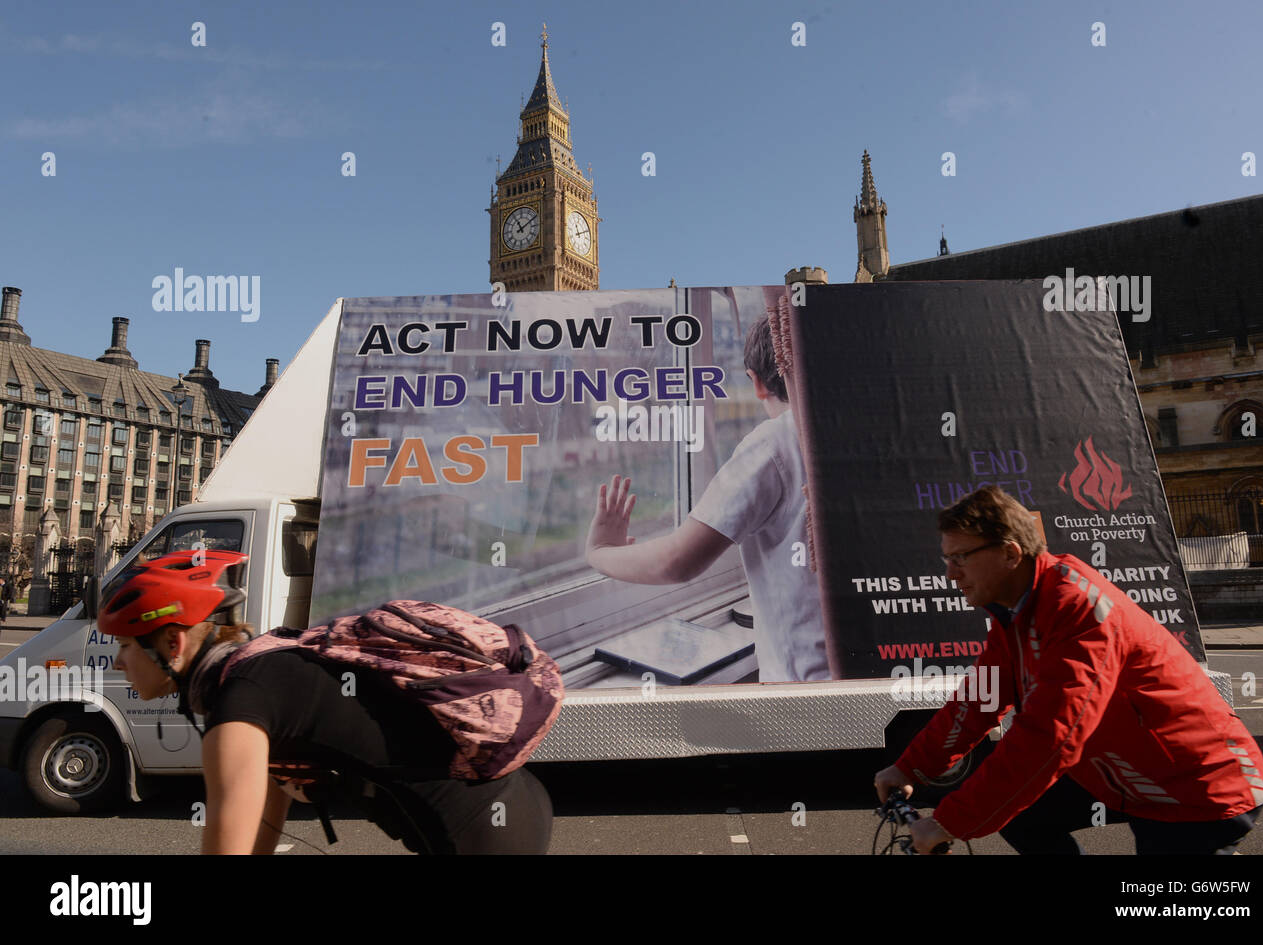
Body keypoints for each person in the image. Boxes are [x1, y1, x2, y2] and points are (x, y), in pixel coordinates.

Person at [874, 485, 1263, 855]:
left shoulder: (1077, 607)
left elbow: (1050, 738)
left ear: (1011, 553)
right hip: (1128, 774)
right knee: (1022, 814)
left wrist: (949, 821)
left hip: (1195, 787)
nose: (950, 573)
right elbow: (980, 700)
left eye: (961, 557)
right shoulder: (1015, 611)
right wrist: (910, 766)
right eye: (947, 558)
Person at [103, 550, 553, 855]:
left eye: (125, 646)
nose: (119, 662)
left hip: (477, 834)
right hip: (513, 807)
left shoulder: (238, 705)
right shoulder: (259, 666)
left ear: (172, 642)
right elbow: (262, 819)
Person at [585, 317, 829, 682]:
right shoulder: (857, 428)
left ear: (756, 383)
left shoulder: (774, 443)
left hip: (806, 691)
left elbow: (677, 562)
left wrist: (600, 553)